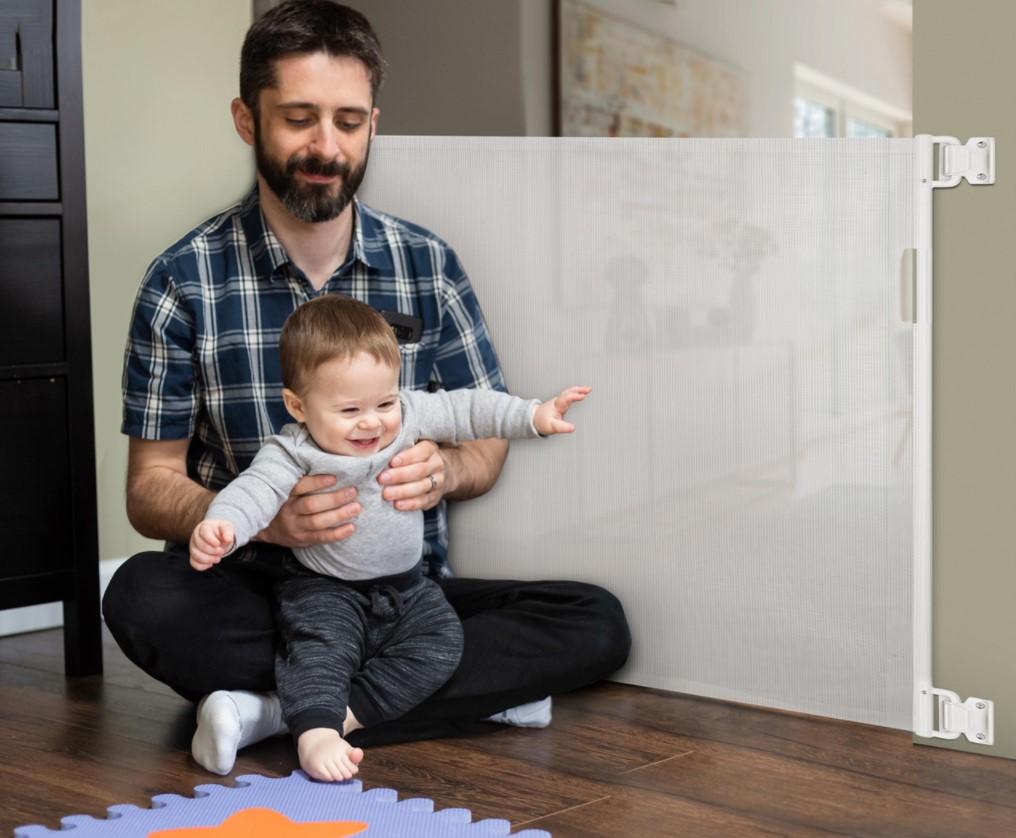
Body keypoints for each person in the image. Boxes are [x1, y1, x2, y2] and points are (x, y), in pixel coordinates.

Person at [102, 0, 630, 776]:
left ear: (373, 123)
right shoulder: (182, 282)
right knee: (141, 596)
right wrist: (269, 521)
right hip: (260, 592)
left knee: (594, 623)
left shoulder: (428, 263)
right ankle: (448, 697)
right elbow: (150, 488)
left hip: (402, 593)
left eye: (349, 122)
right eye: (300, 119)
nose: (327, 147)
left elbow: (483, 438)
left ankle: (276, 713)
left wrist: (447, 470)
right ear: (248, 121)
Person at [190, 294, 591, 781]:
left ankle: (329, 720)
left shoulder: (410, 416)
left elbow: (469, 409)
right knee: (320, 652)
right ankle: (315, 729)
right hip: (325, 589)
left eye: (384, 402)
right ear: (298, 405)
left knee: (444, 643)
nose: (372, 421)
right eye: (350, 409)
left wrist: (533, 416)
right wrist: (223, 526)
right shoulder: (291, 451)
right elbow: (252, 491)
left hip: (409, 588)